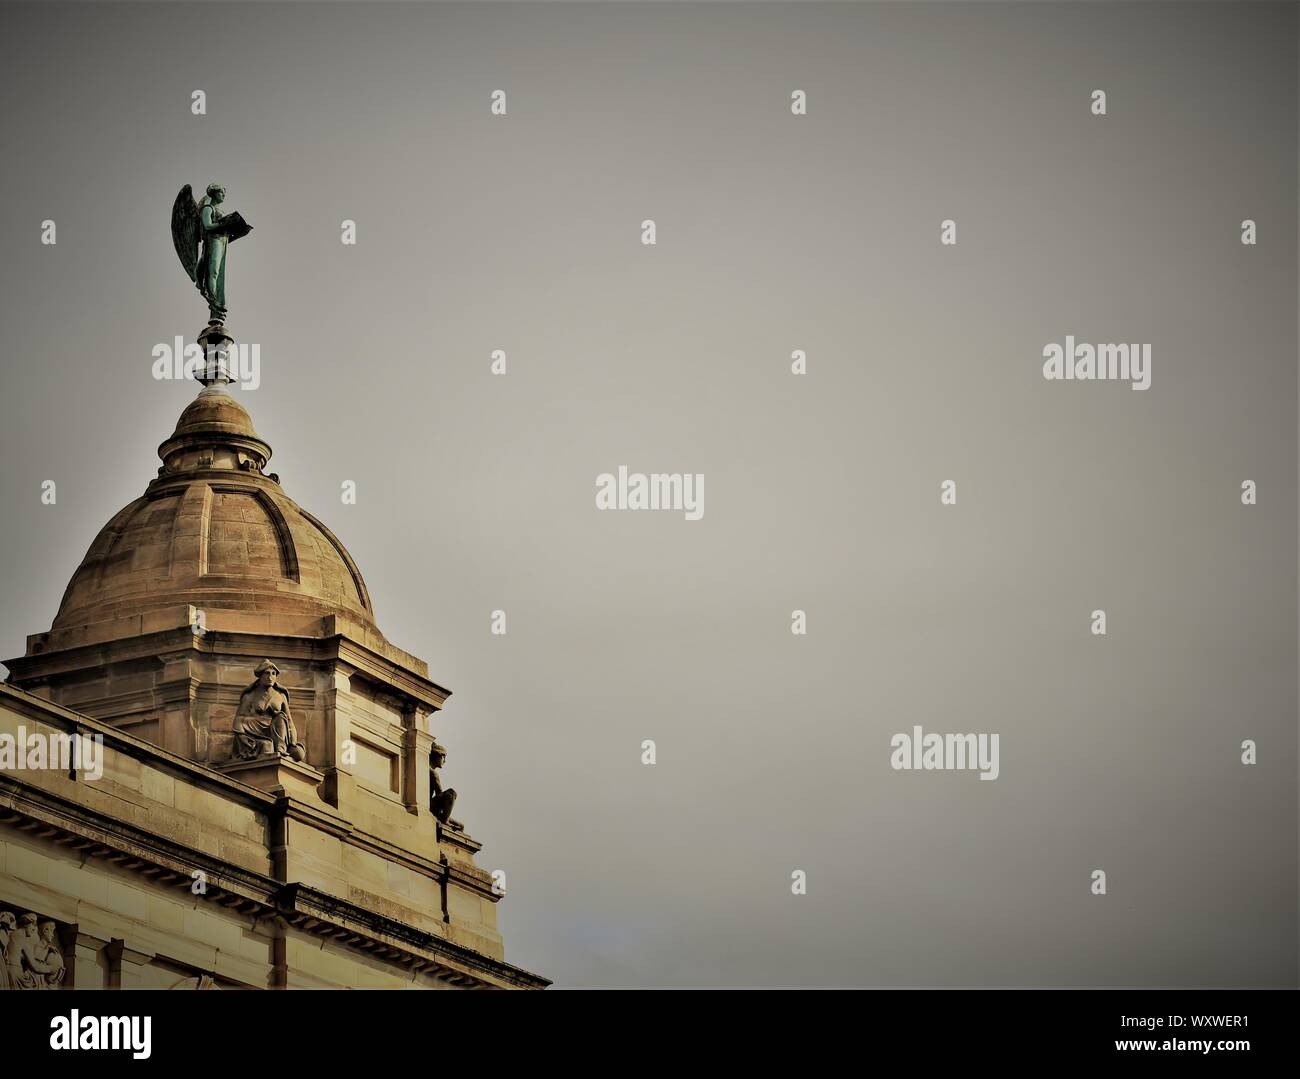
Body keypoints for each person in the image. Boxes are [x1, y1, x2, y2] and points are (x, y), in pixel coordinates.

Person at [232, 660, 307, 762]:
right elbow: (239, 718)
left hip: (274, 731)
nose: (270, 677)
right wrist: (242, 736)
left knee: (281, 716)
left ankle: (281, 748)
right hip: (254, 732)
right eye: (267, 673)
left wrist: (293, 742)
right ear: (260, 676)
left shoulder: (281, 696)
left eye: (273, 674)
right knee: (267, 747)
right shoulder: (249, 696)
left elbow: (289, 722)